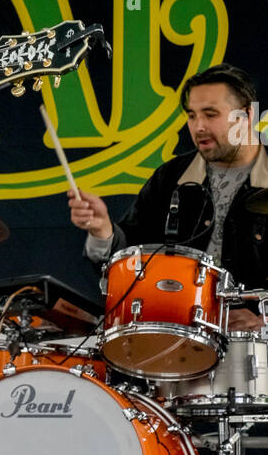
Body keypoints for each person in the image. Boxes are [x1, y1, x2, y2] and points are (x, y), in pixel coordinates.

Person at [69, 64, 268, 329]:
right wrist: (103, 231)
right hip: (175, 339)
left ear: (246, 115)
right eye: (192, 115)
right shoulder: (171, 177)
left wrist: (264, 321)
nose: (198, 127)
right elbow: (130, 262)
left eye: (210, 115)